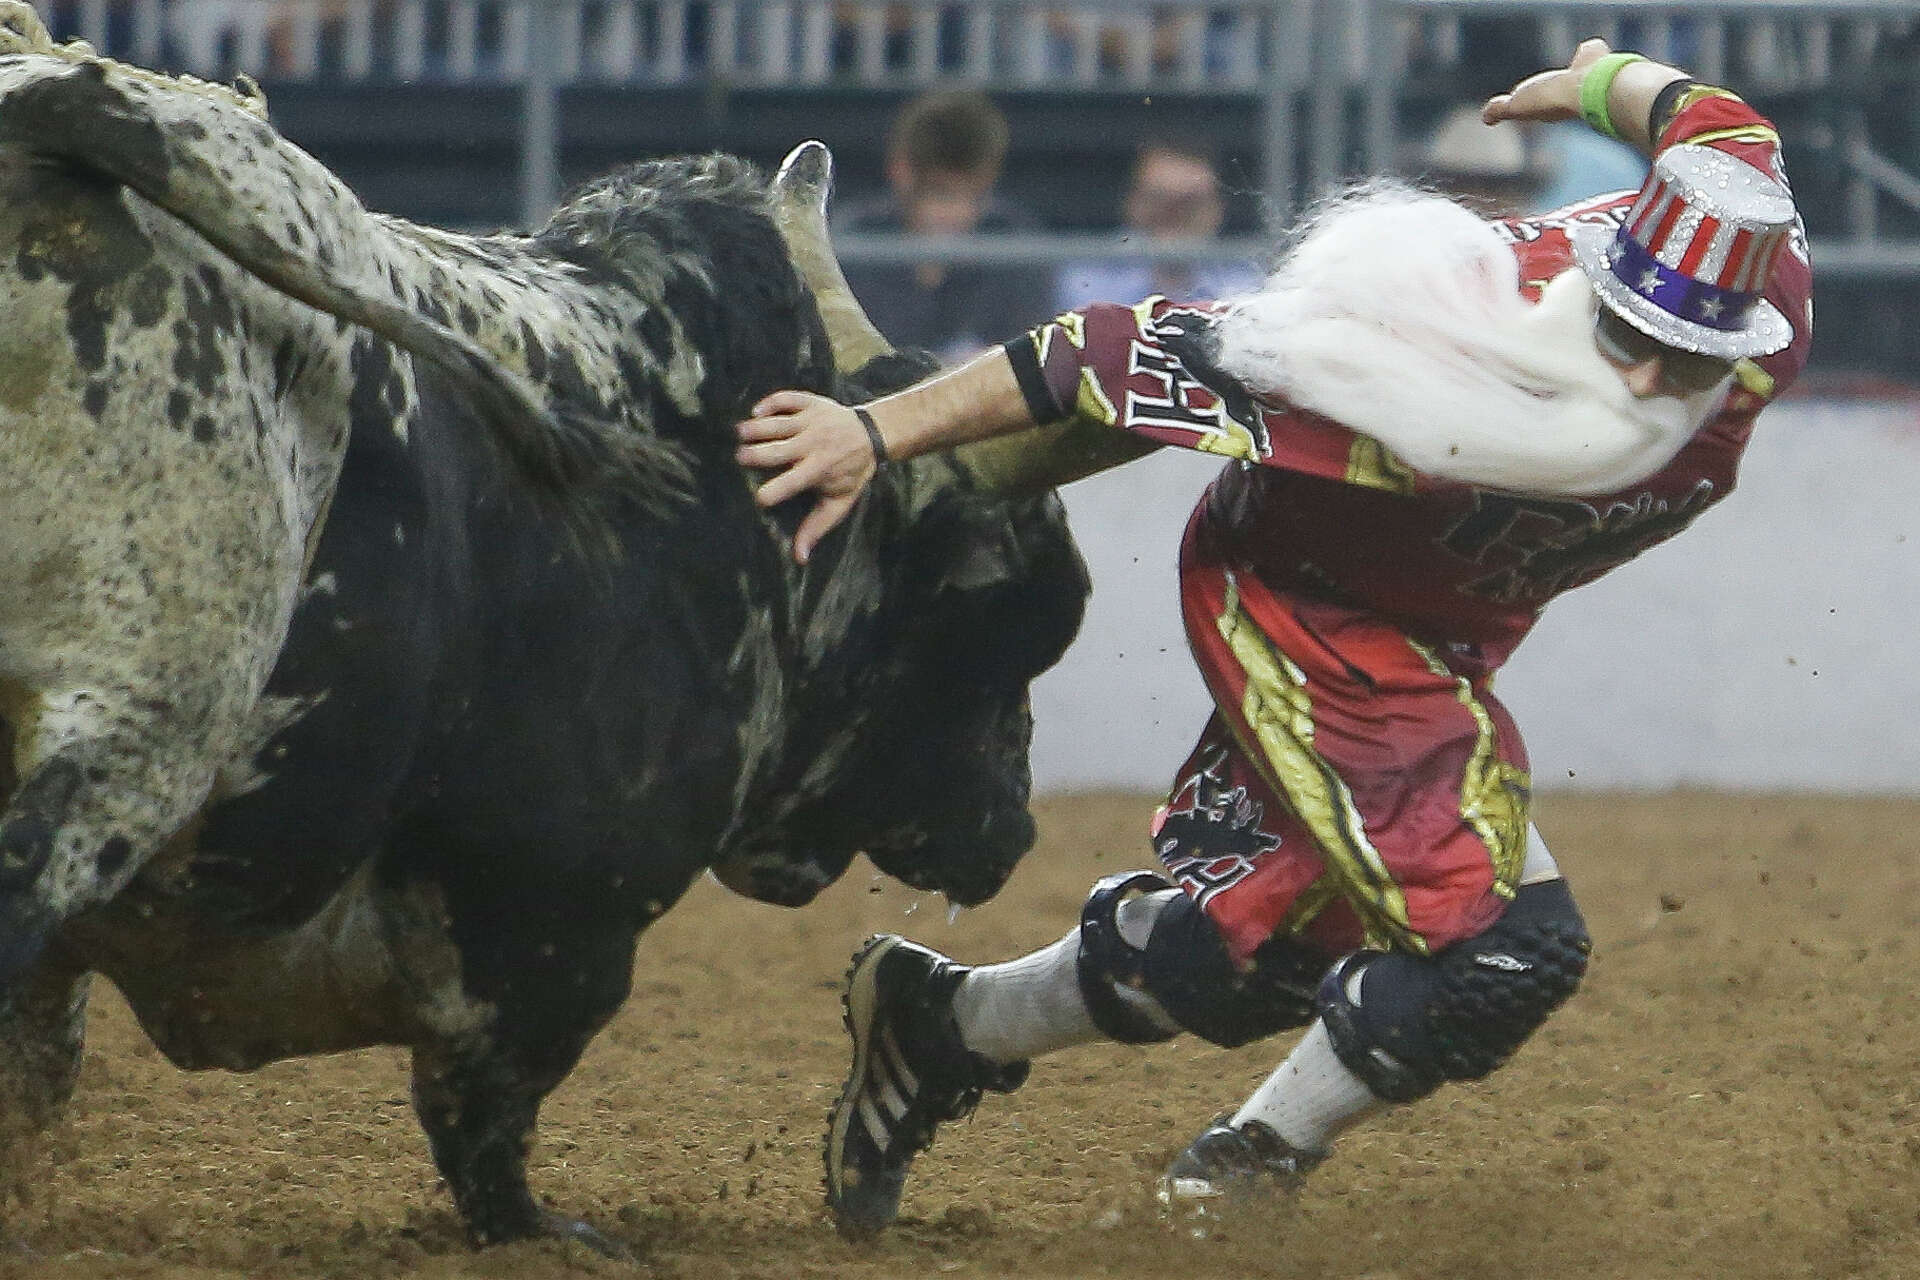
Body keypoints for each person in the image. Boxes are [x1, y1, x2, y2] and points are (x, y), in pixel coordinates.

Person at [738, 39, 1812, 1231]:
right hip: (1309, 607)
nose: (1656, 378)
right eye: (1630, 331)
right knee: (1510, 946)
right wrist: (874, 436)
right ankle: (1240, 1166)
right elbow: (1102, 355)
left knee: (1254, 963)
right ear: (1596, 284)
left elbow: (1724, 135)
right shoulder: (1406, 365)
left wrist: (1597, 79)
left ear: (1745, 326)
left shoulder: (1754, 266)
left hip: (1442, 638)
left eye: (1691, 353)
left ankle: (943, 1021)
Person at [836, 87, 1047, 366]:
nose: (957, 213)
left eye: (974, 195)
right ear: (902, 173)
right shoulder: (854, 243)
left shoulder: (1016, 248)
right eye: (941, 193)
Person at [1054, 136, 1264, 312]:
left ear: (1217, 208)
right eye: (1158, 199)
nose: (1173, 216)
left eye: (1189, 204)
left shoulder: (1250, 286)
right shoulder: (1086, 278)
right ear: (1132, 201)